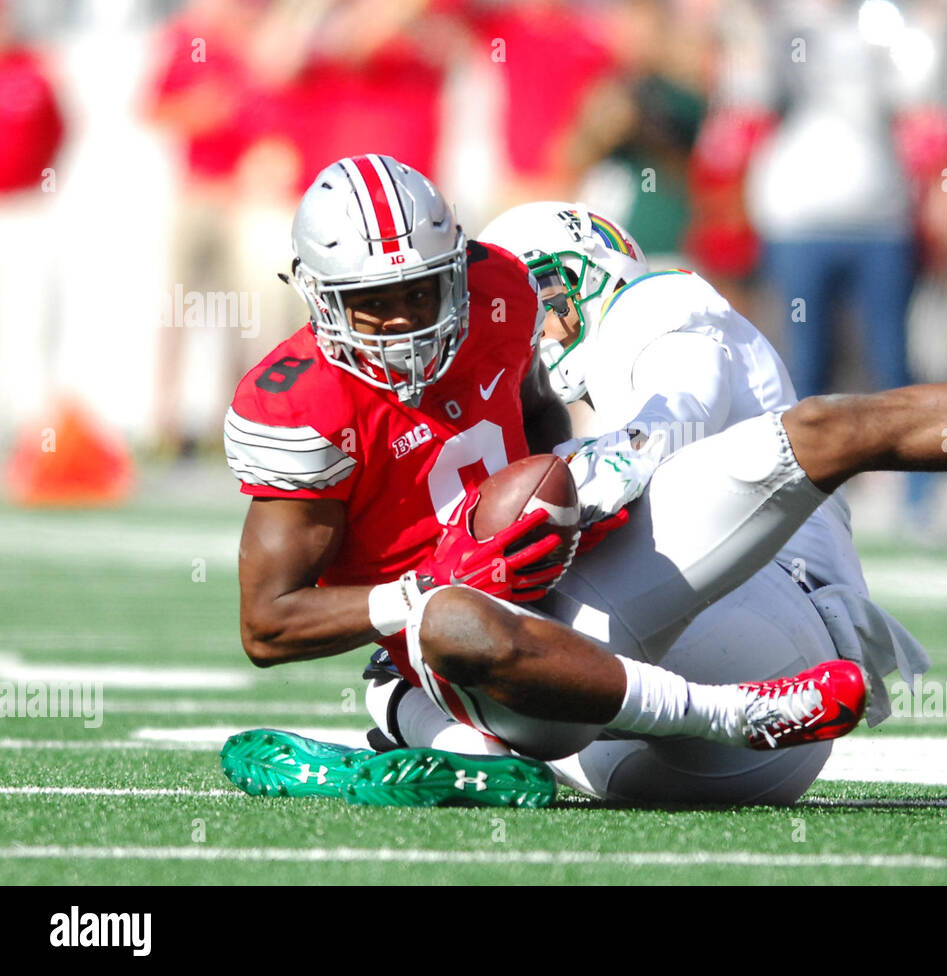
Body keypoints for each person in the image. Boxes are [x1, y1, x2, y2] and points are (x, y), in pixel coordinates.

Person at [224, 154, 870, 803]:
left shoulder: (497, 290)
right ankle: (725, 713)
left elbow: (534, 405)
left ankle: (431, 744)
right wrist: (420, 590)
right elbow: (267, 624)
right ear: (318, 296)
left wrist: (555, 496)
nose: (403, 323)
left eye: (420, 293)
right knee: (435, 652)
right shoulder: (301, 404)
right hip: (446, 637)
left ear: (455, 271)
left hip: (546, 577)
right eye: (372, 304)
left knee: (430, 693)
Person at [360, 201, 929, 805]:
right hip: (695, 757)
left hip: (779, 631)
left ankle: (435, 732)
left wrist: (543, 506)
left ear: (581, 276)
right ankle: (466, 755)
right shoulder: (607, 382)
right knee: (416, 658)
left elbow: (668, 425)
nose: (519, 328)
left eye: (529, 301)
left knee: (458, 623)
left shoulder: (658, 307)